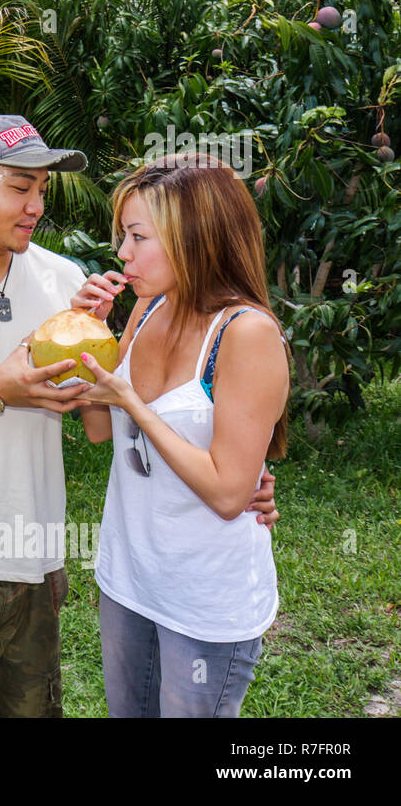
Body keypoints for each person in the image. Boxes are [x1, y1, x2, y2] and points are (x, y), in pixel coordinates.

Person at [0, 115, 281, 717]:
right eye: (19, 187)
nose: (36, 206)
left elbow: (104, 418)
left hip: (37, 565)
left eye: (43, 190)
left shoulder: (65, 282)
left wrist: (239, 472)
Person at [68, 152, 289, 717]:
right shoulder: (146, 307)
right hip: (130, 578)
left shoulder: (245, 334)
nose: (122, 253)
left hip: (204, 600)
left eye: (138, 237)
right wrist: (86, 332)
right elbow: (99, 428)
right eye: (124, 236)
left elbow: (227, 495)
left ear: (194, 237)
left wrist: (136, 406)